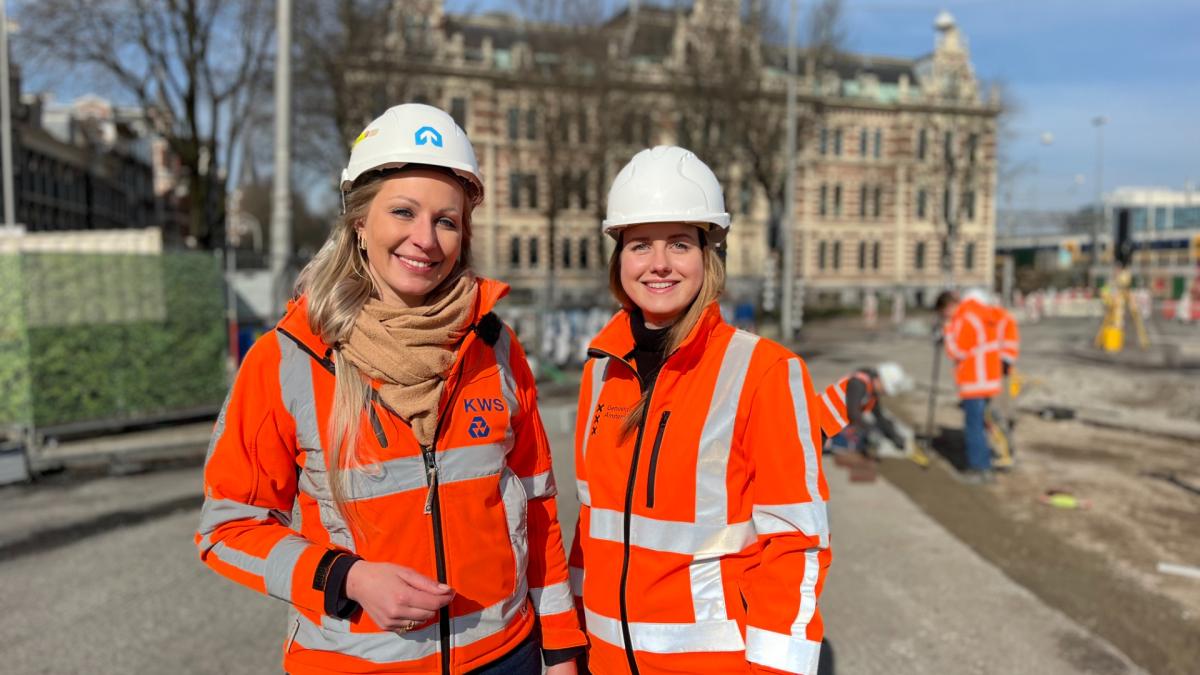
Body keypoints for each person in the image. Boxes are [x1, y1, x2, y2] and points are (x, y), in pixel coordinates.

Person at [196, 103, 584, 674]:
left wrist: (560, 647)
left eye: (446, 220)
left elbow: (538, 504)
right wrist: (344, 577)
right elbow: (226, 530)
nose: (425, 239)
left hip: (507, 657)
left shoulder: (494, 346)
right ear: (360, 222)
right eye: (403, 212)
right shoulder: (289, 358)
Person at [568, 146, 830, 674]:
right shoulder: (601, 370)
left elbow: (795, 548)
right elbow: (591, 529)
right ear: (619, 259)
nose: (659, 263)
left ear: (708, 256)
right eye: (640, 245)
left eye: (679, 244)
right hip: (605, 662)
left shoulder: (764, 371)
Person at [935, 288, 1002, 483]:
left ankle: (978, 469)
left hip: (974, 381)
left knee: (973, 427)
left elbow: (957, 351)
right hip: (986, 379)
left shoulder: (965, 318)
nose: (945, 317)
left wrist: (947, 331)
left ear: (948, 307)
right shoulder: (979, 314)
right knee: (980, 425)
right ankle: (985, 466)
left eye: (944, 313)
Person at [818, 362, 913, 457]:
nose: (885, 393)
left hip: (829, 425)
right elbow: (853, 414)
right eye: (885, 389)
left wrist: (894, 436)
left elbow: (879, 417)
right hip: (818, 421)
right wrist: (871, 431)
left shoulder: (871, 391)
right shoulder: (857, 383)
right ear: (880, 379)